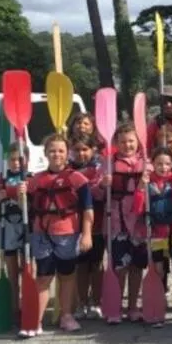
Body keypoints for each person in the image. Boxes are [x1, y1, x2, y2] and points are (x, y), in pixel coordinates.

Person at [20, 133, 94, 336]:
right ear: (45, 154)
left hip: (68, 234)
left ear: (67, 153)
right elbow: (26, 207)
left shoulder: (78, 179)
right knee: (43, 277)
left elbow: (88, 210)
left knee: (67, 276)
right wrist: (21, 195)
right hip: (42, 234)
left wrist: (87, 235)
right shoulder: (36, 180)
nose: (57, 154)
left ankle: (66, 316)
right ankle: (35, 320)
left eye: (61, 150)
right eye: (52, 151)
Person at [101, 122, 149, 324]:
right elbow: (96, 191)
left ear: (137, 142)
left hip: (138, 223)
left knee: (137, 267)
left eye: (131, 141)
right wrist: (103, 184)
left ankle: (133, 307)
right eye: (123, 142)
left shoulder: (146, 163)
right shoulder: (108, 164)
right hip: (117, 223)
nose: (127, 145)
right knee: (119, 266)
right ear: (116, 143)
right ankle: (115, 306)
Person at [135, 146, 172, 324]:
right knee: (158, 269)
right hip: (157, 231)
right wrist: (141, 188)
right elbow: (138, 208)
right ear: (152, 164)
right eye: (159, 163)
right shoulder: (147, 181)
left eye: (167, 164)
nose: (163, 167)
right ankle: (159, 302)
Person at [0, 148, 28, 326]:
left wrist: (21, 199)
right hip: (7, 230)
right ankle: (13, 308)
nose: (16, 163)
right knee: (12, 273)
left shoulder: (29, 179)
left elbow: (34, 207)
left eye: (19, 159)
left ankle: (27, 307)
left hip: (25, 229)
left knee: (27, 271)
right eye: (12, 160)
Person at [70, 134, 105, 320]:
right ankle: (82, 302)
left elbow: (101, 195)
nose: (81, 153)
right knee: (81, 265)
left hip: (97, 223)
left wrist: (101, 186)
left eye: (85, 149)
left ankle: (97, 302)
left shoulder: (100, 170)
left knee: (97, 264)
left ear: (93, 150)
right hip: (75, 225)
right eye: (77, 150)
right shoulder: (67, 170)